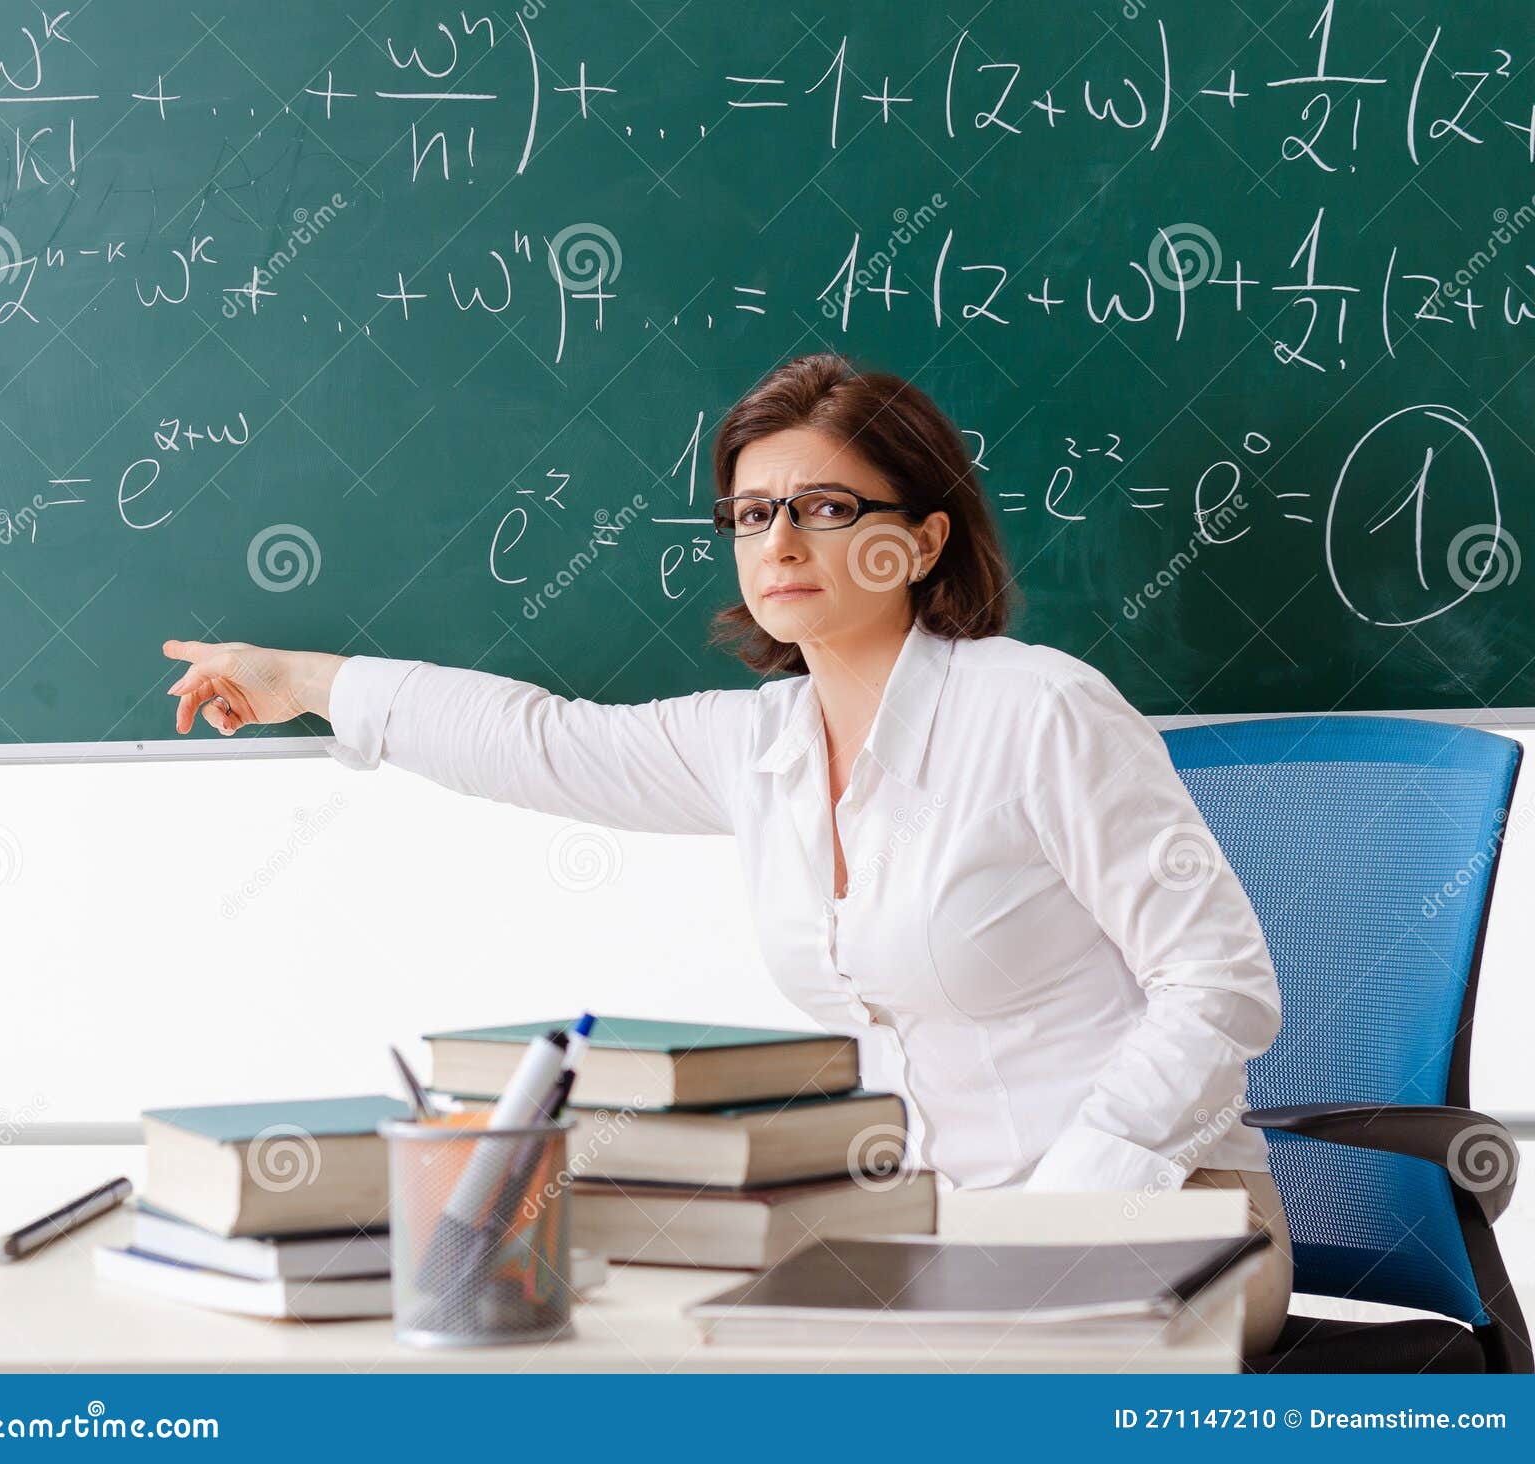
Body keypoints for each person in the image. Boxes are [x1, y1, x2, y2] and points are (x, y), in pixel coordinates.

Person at [162, 353, 1292, 1353]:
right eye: (751, 515)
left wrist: (1061, 1210)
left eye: (823, 506)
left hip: (1163, 1212)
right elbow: (540, 742)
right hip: (933, 1231)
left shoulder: (1040, 713)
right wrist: (303, 682)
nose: (779, 541)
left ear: (923, 540)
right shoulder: (757, 743)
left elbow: (1220, 987)